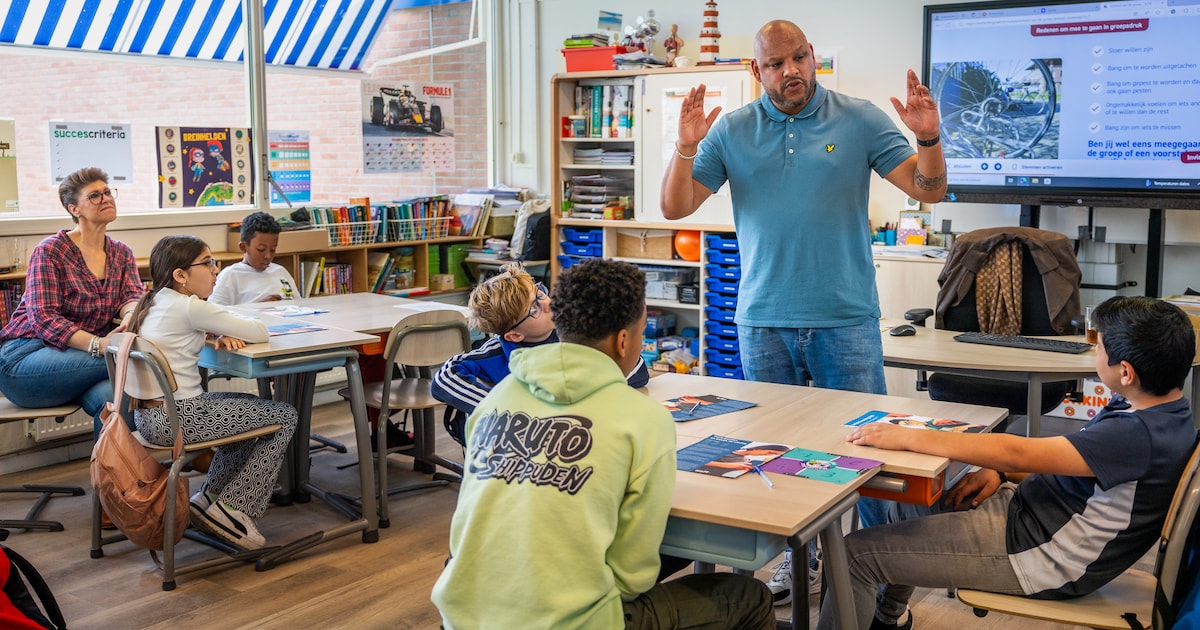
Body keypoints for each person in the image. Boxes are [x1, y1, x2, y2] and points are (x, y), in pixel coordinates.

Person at [659, 18, 948, 604]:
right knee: (779, 460)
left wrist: (929, 138)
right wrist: (686, 147)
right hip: (762, 320)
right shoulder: (733, 130)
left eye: (798, 58)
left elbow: (929, 190)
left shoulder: (860, 117)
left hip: (846, 319)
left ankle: (886, 581)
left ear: (812, 56)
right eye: (775, 64)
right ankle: (802, 560)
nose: (789, 71)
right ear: (756, 71)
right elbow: (675, 207)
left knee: (869, 452)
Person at [431, 258, 775, 629]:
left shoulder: (494, 400)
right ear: (624, 339)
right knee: (749, 595)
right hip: (567, 622)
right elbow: (632, 575)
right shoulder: (644, 418)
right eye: (642, 332)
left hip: (461, 614)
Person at [819, 296, 1197, 630]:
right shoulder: (1160, 411)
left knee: (854, 557)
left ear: (1125, 372)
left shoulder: (1137, 435)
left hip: (1043, 554)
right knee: (907, 508)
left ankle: (878, 616)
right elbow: (1068, 460)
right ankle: (884, 619)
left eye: (1100, 346)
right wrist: (998, 473)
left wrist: (907, 436)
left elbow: (1018, 452)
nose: (1094, 351)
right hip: (1033, 519)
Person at [126, 235, 297, 550]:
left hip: (150, 417)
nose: (216, 270)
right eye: (207, 263)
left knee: (250, 409)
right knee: (284, 415)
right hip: (180, 417)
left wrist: (218, 328)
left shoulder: (154, 301)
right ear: (181, 275)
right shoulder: (189, 306)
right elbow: (259, 331)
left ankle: (210, 499)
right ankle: (233, 509)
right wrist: (226, 328)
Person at [431, 263, 650, 441]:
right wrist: (502, 407)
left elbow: (636, 368)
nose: (547, 304)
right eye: (534, 309)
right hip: (511, 446)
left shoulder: (573, 336)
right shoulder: (497, 352)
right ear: (514, 335)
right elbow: (444, 378)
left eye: (540, 293)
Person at [0, 167, 144, 435]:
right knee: (132, 359)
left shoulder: (122, 252)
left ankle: (114, 476)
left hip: (81, 365)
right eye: (94, 196)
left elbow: (133, 296)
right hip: (25, 360)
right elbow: (44, 318)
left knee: (118, 400)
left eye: (107, 192)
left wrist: (128, 318)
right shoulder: (50, 251)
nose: (106, 199)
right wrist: (99, 345)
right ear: (73, 209)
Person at [208, 211, 299, 305]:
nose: (268, 256)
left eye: (273, 250)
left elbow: (300, 305)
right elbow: (214, 315)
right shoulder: (231, 276)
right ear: (243, 247)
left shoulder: (280, 272)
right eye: (261, 249)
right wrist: (256, 308)